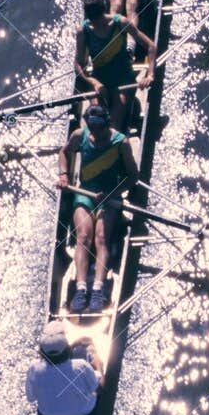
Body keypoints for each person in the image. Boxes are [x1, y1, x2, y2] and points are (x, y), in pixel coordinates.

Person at [59, 100, 140, 314]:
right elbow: (63, 153)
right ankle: (80, 288)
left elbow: (133, 177)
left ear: (107, 124)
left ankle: (97, 288)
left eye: (101, 129)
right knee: (83, 237)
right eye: (93, 129)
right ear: (89, 126)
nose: (97, 134)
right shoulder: (79, 135)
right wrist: (64, 175)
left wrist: (112, 194)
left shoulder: (121, 142)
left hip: (110, 196)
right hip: (85, 194)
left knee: (101, 238)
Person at [75, 0, 156, 128]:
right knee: (95, 119)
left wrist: (150, 74)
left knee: (113, 123)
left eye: (100, 19)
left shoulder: (120, 22)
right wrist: (92, 81)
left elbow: (151, 46)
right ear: (89, 17)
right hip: (99, 79)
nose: (98, 24)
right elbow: (78, 64)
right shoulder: (83, 31)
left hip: (123, 78)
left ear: (103, 11)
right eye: (94, 21)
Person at [26, 320, 102, 415]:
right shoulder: (81, 365)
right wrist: (97, 362)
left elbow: (31, 398)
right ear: (66, 349)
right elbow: (98, 386)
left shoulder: (34, 368)